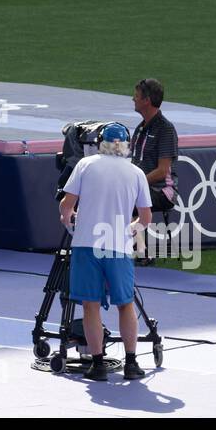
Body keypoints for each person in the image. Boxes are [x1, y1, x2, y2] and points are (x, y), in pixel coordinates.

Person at [58, 122, 152, 382]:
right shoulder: (136, 173)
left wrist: (70, 222)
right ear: (126, 144)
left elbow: (66, 206)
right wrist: (129, 230)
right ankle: (131, 363)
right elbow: (145, 217)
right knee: (125, 304)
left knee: (90, 305)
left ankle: (97, 364)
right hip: (117, 246)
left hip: (86, 244)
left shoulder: (85, 165)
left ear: (100, 142)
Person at [128, 77, 178, 216]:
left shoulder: (165, 129)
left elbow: (162, 171)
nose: (133, 99)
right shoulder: (139, 129)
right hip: (144, 187)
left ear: (146, 100)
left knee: (123, 201)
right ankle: (126, 237)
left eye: (137, 96)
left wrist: (135, 184)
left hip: (164, 192)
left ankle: (128, 237)